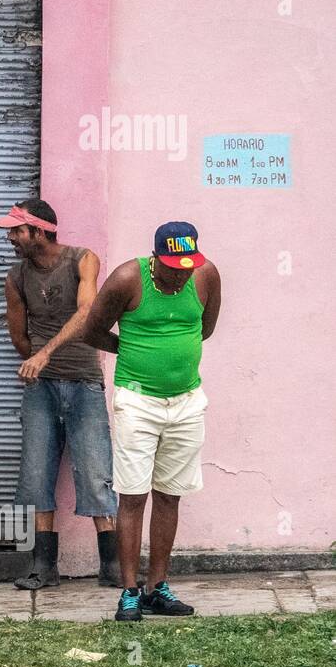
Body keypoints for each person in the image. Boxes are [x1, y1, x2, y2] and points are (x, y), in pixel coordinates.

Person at [63, 222, 221, 621]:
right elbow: (91, 329)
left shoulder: (205, 275)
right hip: (137, 401)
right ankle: (129, 591)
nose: (180, 273)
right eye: (172, 267)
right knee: (133, 495)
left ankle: (158, 588)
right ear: (155, 258)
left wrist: (172, 351)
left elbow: (205, 327)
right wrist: (130, 347)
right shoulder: (127, 279)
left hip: (186, 400)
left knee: (170, 493)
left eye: (187, 265)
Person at [0, 199, 120, 590]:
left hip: (83, 382)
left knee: (97, 473)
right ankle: (43, 566)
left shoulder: (83, 260)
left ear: (40, 231)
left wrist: (46, 353)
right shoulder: (16, 278)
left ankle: (112, 565)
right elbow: (18, 335)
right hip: (40, 389)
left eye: (17, 230)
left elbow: (87, 315)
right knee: (35, 475)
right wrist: (35, 359)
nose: (11, 238)